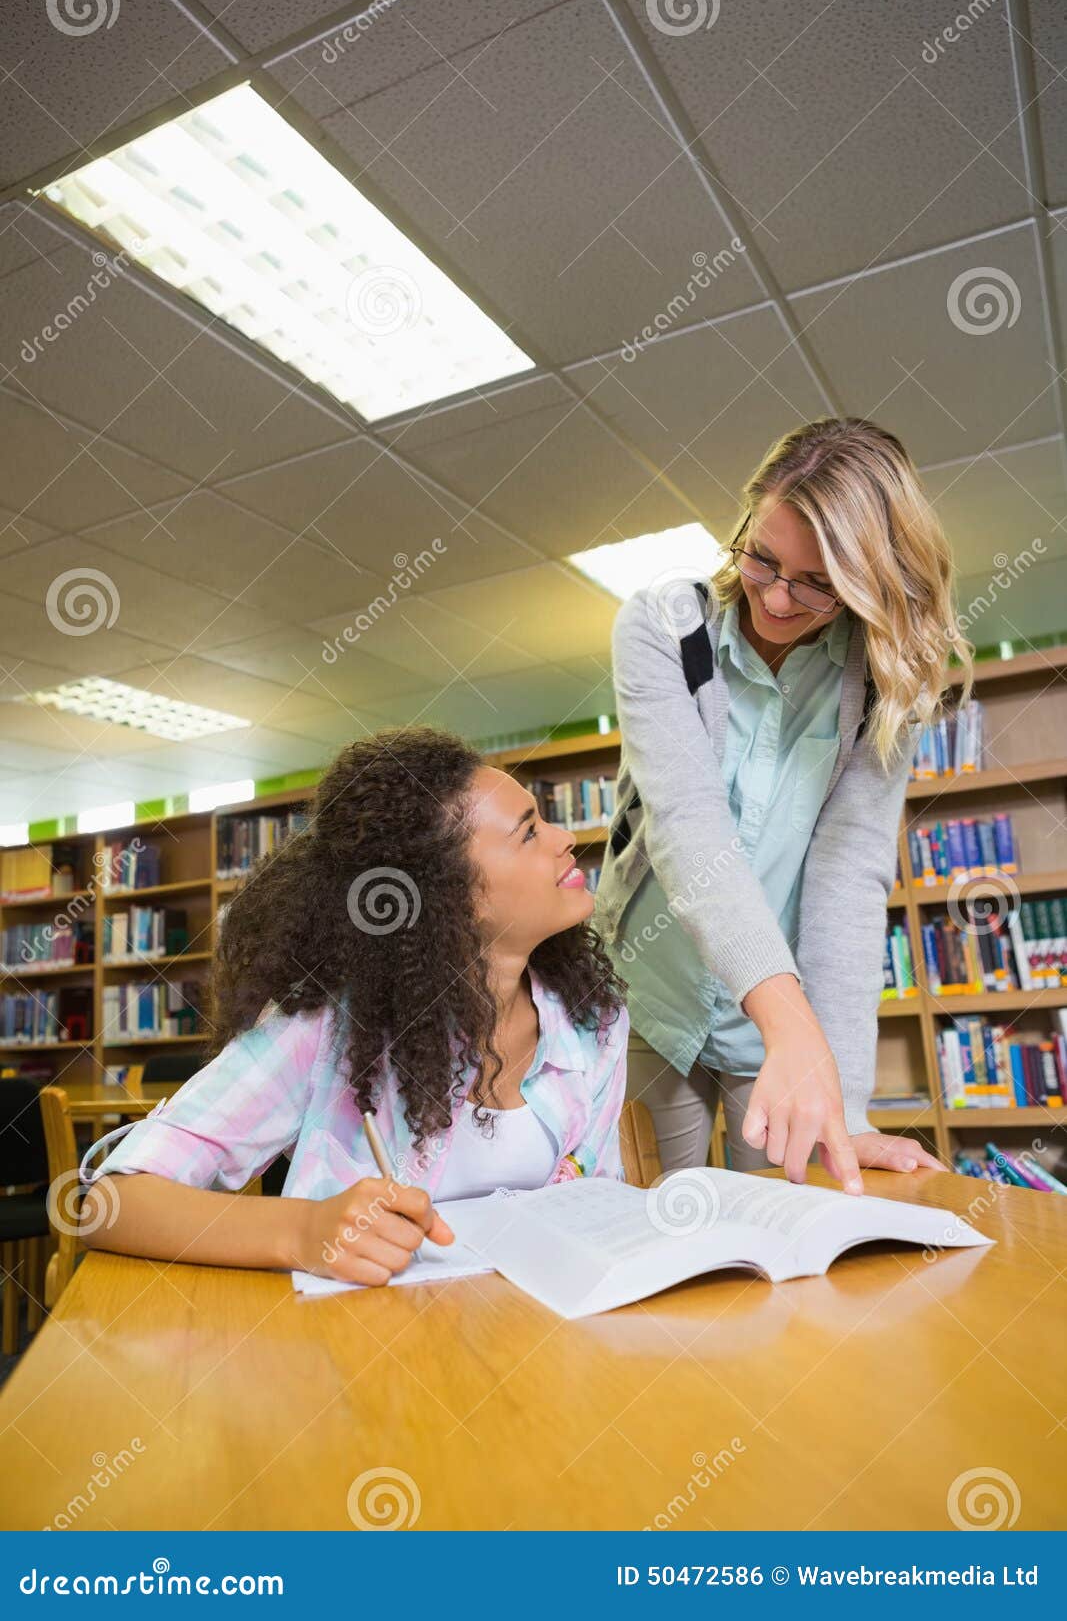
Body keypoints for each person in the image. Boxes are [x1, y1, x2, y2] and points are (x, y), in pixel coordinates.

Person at [79, 728, 628, 1287]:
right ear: (451, 890)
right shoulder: (323, 1034)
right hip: (363, 1351)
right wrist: (300, 1231)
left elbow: (597, 1205)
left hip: (538, 1343)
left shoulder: (595, 1024)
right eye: (529, 832)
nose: (565, 837)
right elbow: (113, 1203)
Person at [595, 416, 970, 1189]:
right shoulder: (662, 629)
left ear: (872, 582)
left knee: (786, 1234)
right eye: (762, 558)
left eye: (817, 583)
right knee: (648, 1233)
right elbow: (686, 827)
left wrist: (847, 1102)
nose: (773, 597)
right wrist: (793, 1026)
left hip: (773, 1028)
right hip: (649, 996)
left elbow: (847, 882)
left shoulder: (877, 685)